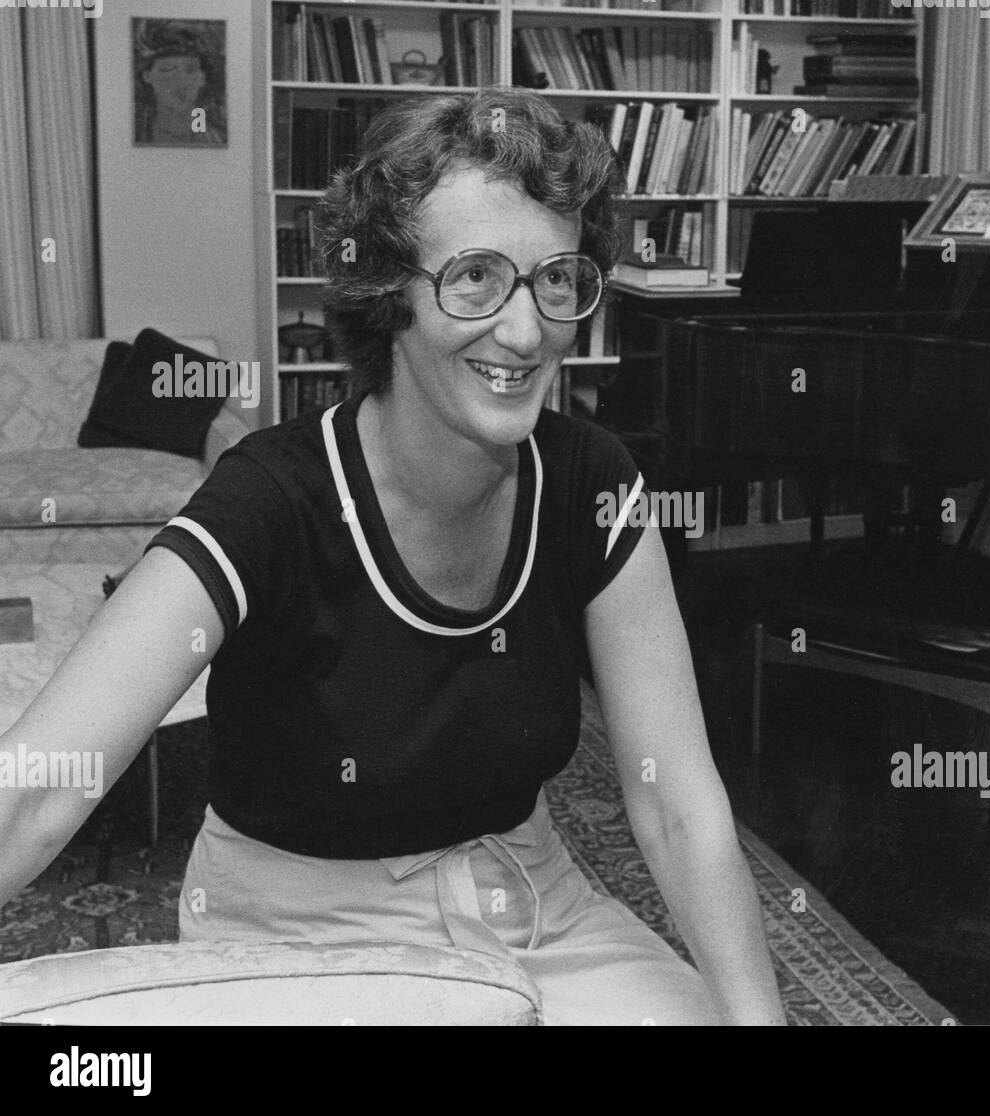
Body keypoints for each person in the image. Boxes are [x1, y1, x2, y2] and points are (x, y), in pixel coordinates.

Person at [0, 88, 784, 1026]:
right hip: (297, 927)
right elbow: (40, 791)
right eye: (476, 279)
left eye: (557, 278)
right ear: (387, 291)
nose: (528, 331)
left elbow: (677, 806)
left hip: (533, 905)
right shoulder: (272, 499)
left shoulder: (592, 482)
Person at [134, 22, 226, 146]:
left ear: (203, 78)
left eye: (191, 70)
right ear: (147, 76)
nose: (181, 80)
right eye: (167, 69)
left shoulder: (219, 138)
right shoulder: (136, 132)